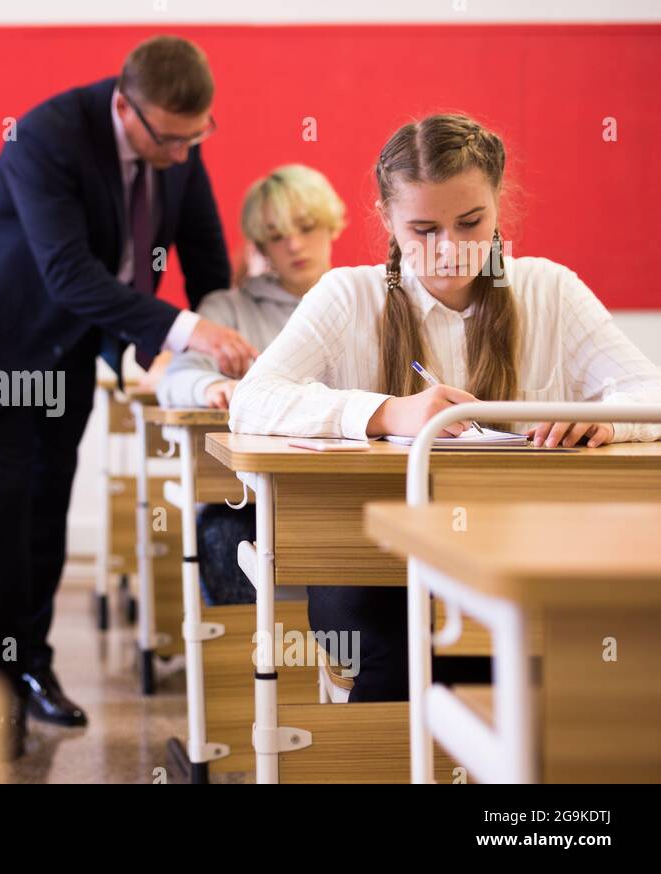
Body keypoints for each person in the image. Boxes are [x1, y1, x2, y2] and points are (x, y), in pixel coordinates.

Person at [229, 113, 661, 700]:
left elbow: (650, 393)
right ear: (386, 219)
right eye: (424, 228)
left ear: (499, 205)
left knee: (548, 656)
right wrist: (388, 413)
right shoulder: (348, 295)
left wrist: (609, 418)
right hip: (370, 556)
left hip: (517, 548)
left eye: (471, 222)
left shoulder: (548, 289)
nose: (450, 249)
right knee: (393, 650)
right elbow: (253, 400)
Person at [0, 34, 257, 757]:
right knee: (7, 501)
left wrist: (222, 344)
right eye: (169, 139)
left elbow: (202, 255)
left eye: (195, 137)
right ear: (124, 107)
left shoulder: (179, 143)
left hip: (71, 347)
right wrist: (186, 331)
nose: (181, 153)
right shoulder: (46, 136)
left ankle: (33, 662)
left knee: (49, 501)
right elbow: (68, 274)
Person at [157, 164, 345, 605]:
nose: (295, 245)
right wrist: (209, 387)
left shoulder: (362, 298)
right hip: (250, 500)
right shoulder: (228, 309)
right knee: (224, 538)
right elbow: (177, 376)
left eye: (306, 227)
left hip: (342, 492)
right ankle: (251, 667)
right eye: (277, 236)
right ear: (261, 246)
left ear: (331, 226)